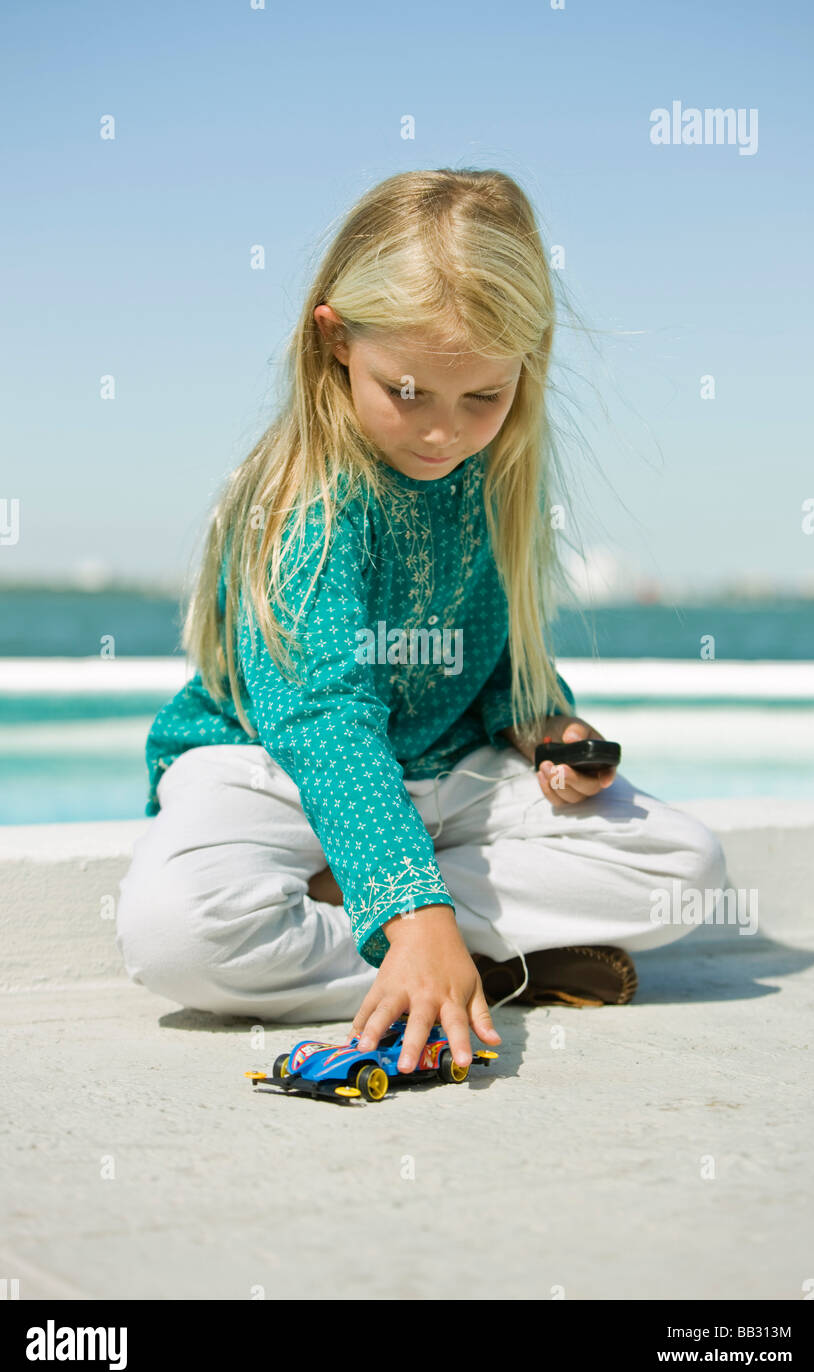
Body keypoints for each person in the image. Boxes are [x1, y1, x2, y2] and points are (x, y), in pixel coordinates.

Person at [116, 168, 727, 1076]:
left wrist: (540, 724)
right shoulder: (302, 499)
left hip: (445, 778)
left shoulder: (499, 471)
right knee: (180, 932)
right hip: (278, 770)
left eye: (483, 396)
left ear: (529, 359)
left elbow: (495, 655)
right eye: (407, 392)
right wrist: (416, 904)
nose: (445, 432)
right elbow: (323, 723)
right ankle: (444, 952)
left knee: (689, 871)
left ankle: (404, 938)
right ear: (335, 341)